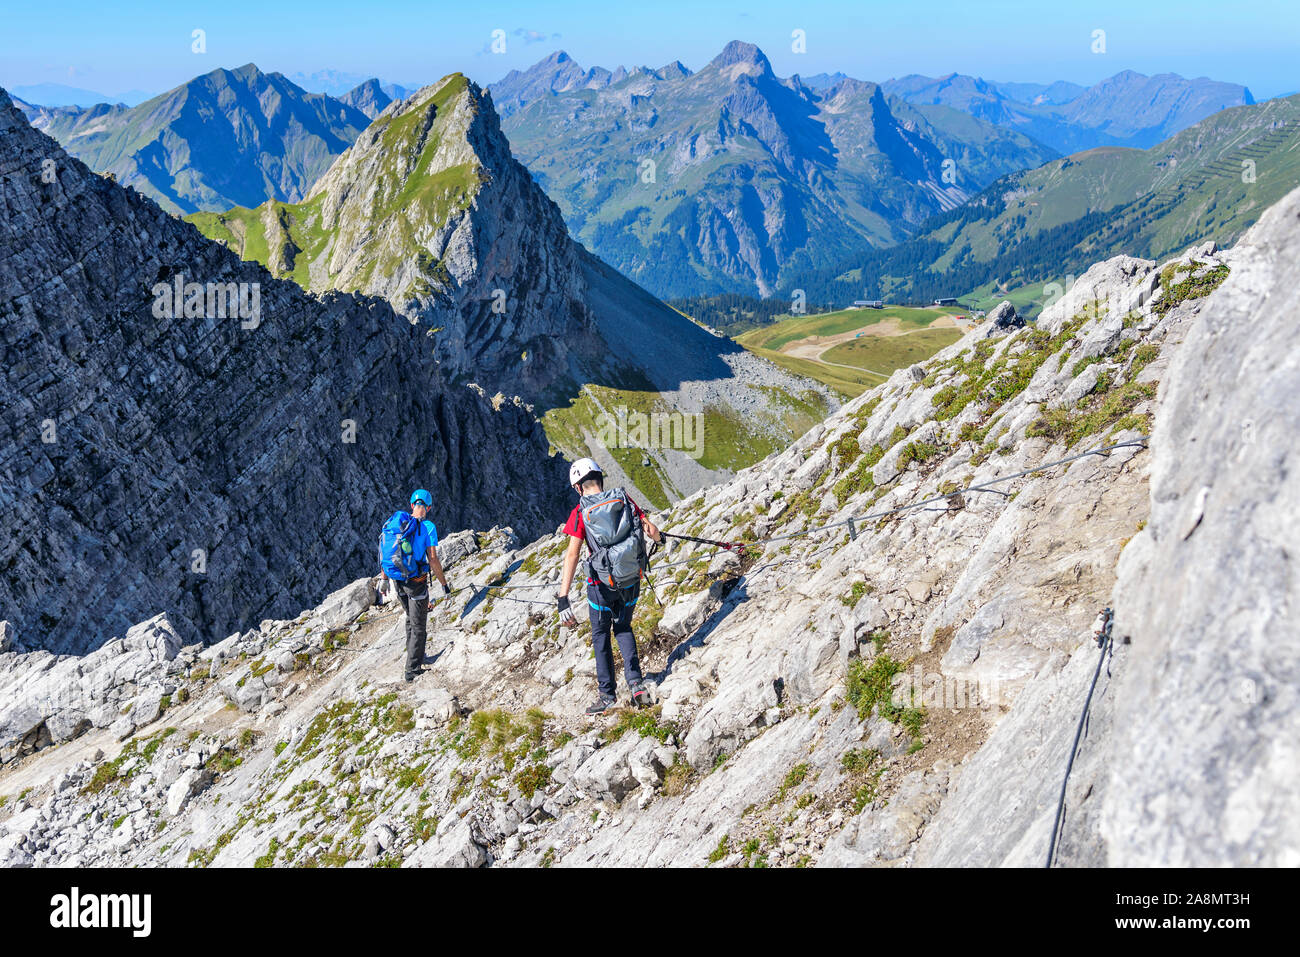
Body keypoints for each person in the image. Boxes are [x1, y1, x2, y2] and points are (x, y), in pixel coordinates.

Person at [556, 459, 662, 714]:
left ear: (578, 487)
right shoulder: (623, 499)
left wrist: (563, 597)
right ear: (599, 479)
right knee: (624, 627)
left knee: (601, 635)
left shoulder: (580, 512)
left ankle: (607, 696)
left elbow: (572, 555)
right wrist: (661, 538)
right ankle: (636, 684)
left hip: (601, 587)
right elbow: (651, 530)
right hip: (631, 579)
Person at [379, 489, 451, 682]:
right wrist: (444, 585)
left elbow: (385, 552)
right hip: (416, 581)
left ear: (412, 505)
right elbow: (433, 559)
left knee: (410, 618)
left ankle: (415, 656)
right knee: (419, 625)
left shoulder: (397, 524)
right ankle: (412, 669)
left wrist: (384, 578)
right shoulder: (428, 527)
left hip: (397, 579)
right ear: (428, 507)